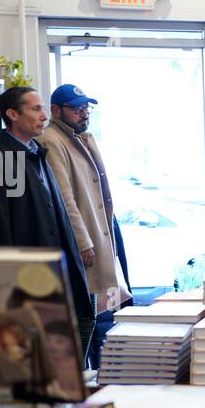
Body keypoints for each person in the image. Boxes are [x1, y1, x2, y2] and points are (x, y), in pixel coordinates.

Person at [0, 86, 93, 359]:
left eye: (43, 108)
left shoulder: (37, 151)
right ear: (13, 114)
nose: (44, 116)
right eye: (36, 109)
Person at [38, 83, 131, 368]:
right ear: (56, 110)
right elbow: (65, 197)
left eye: (86, 108)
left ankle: (100, 378)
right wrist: (83, 241)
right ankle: (91, 382)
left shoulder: (80, 137)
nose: (83, 114)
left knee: (105, 313)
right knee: (90, 320)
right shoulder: (52, 140)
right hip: (87, 241)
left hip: (101, 234)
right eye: (76, 109)